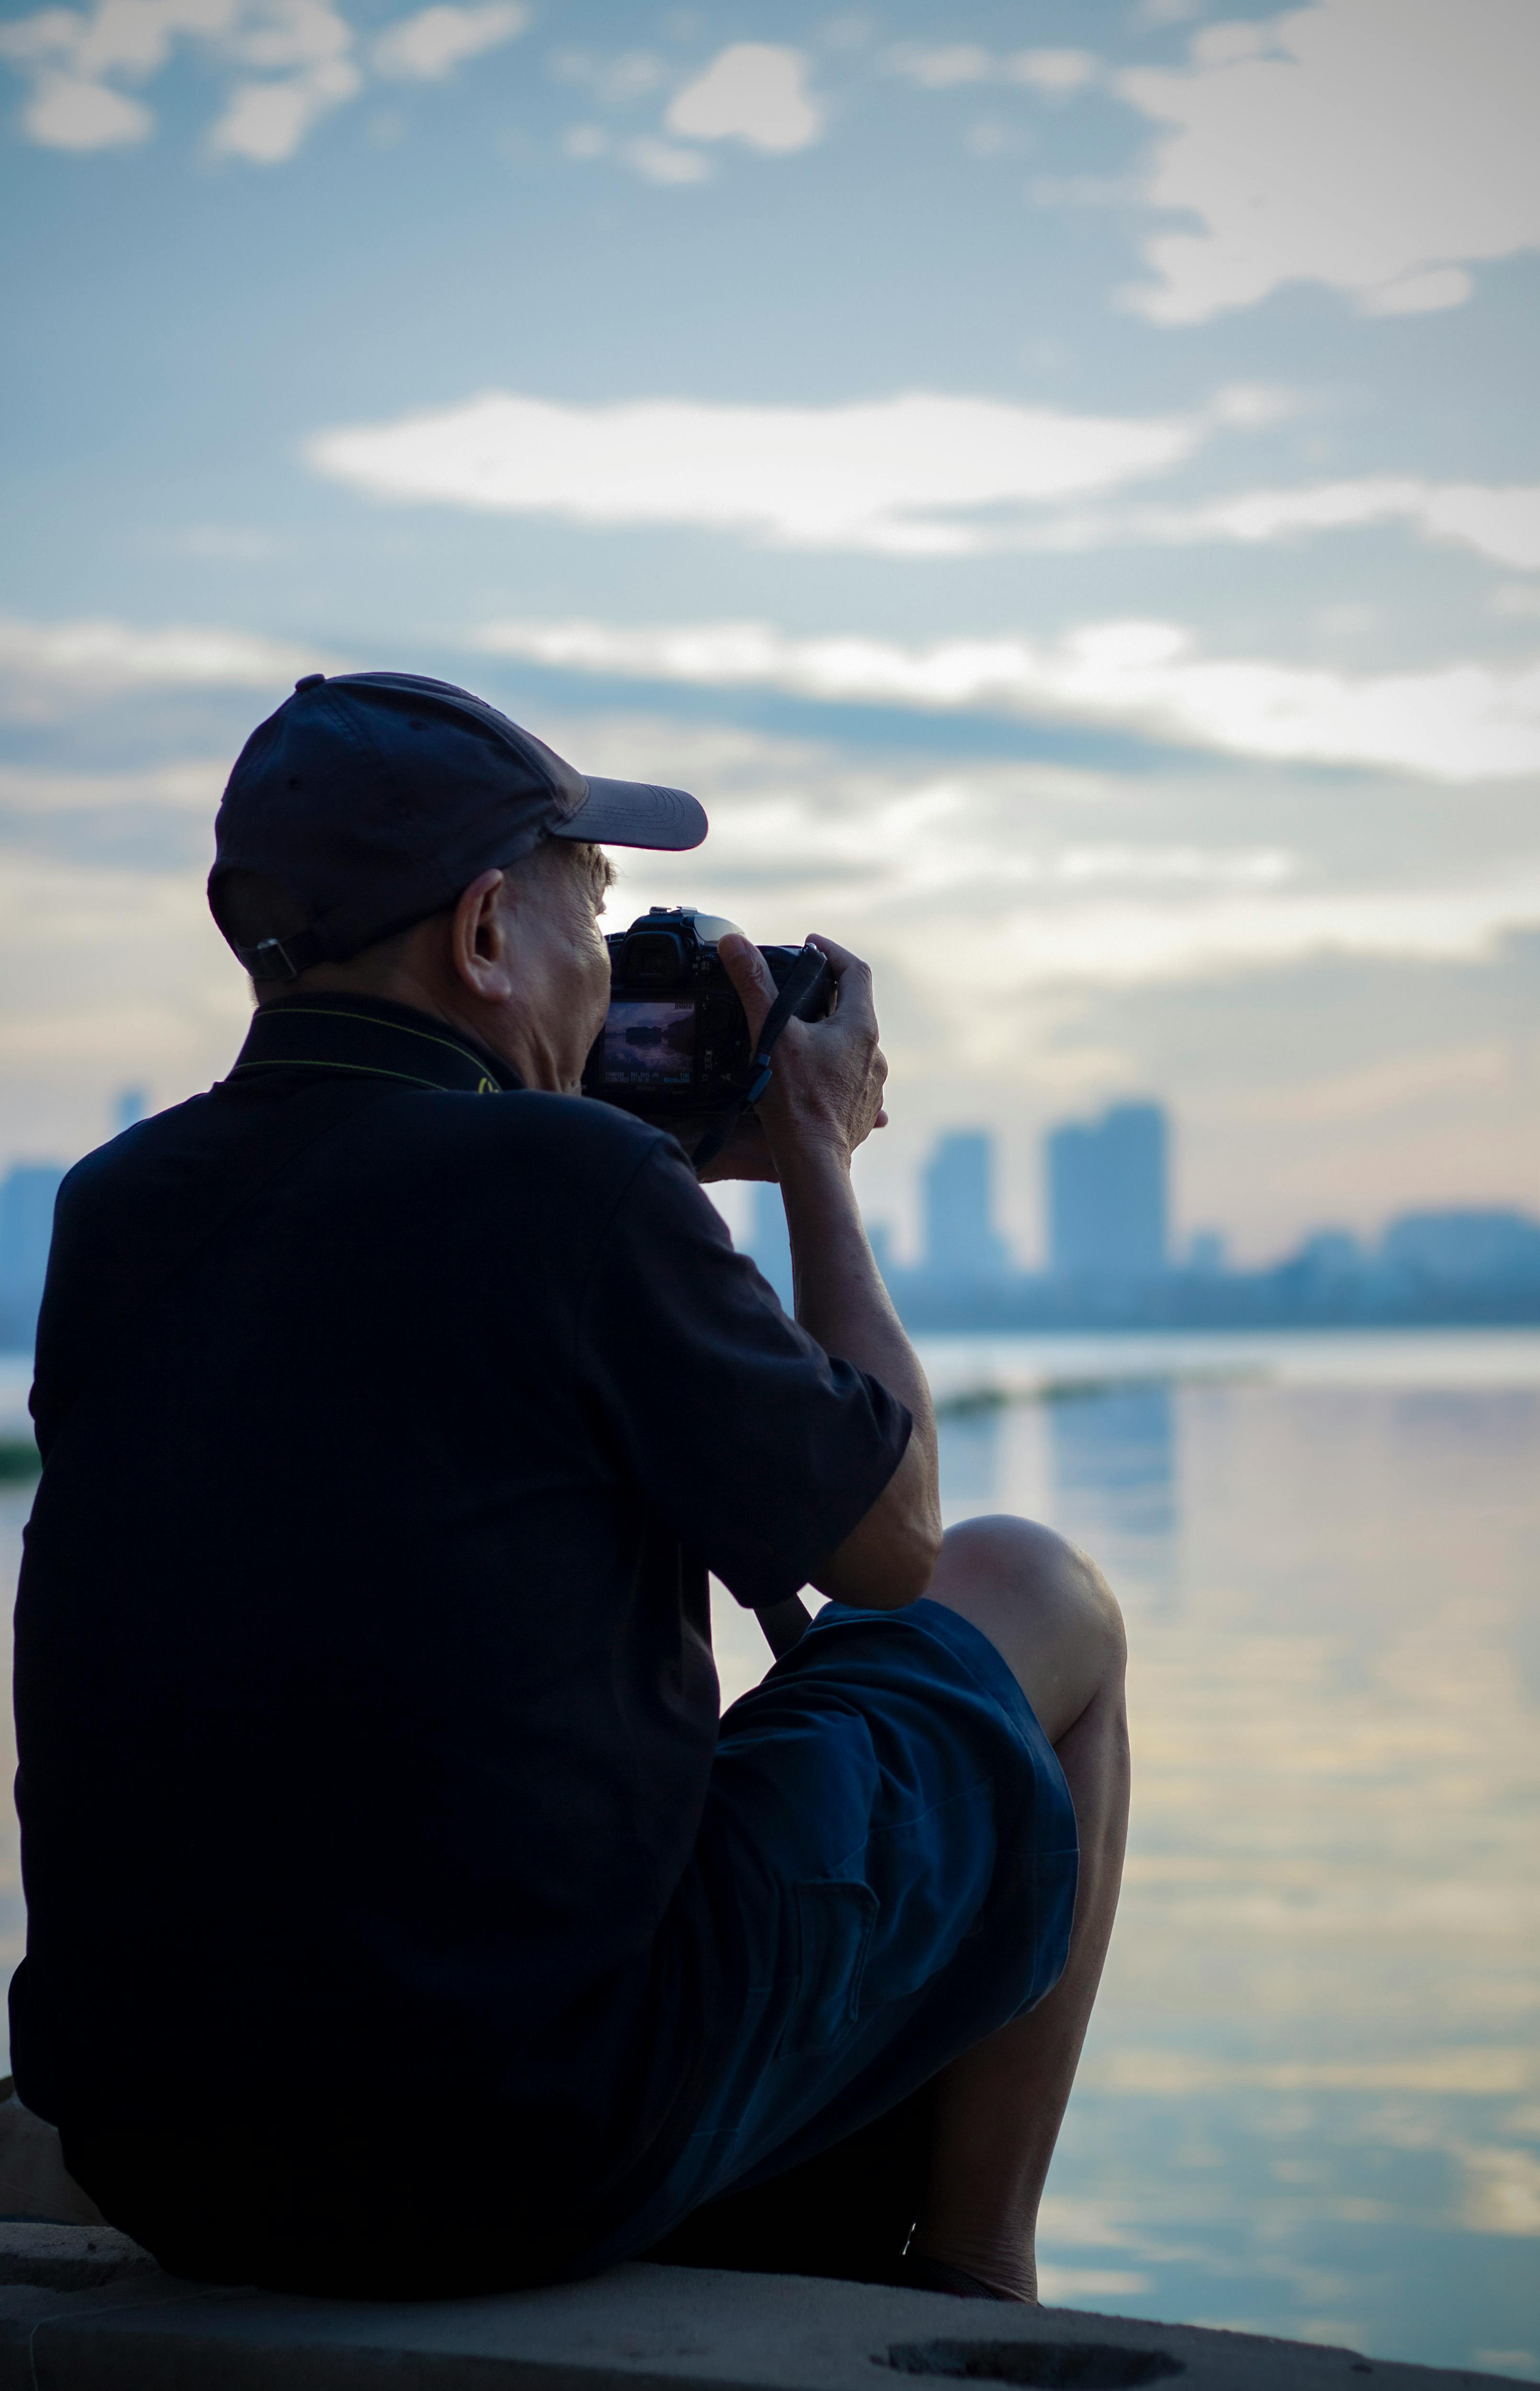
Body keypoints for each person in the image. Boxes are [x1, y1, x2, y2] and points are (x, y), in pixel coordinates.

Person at [9, 672, 1128, 2302]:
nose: (608, 982)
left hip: (167, 2159)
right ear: (484, 934)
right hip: (517, 2146)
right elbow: (893, 1548)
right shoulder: (574, 1188)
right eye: (591, 916)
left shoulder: (116, 1206)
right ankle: (981, 2281)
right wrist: (813, 1155)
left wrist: (628, 1179)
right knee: (1037, 1590)